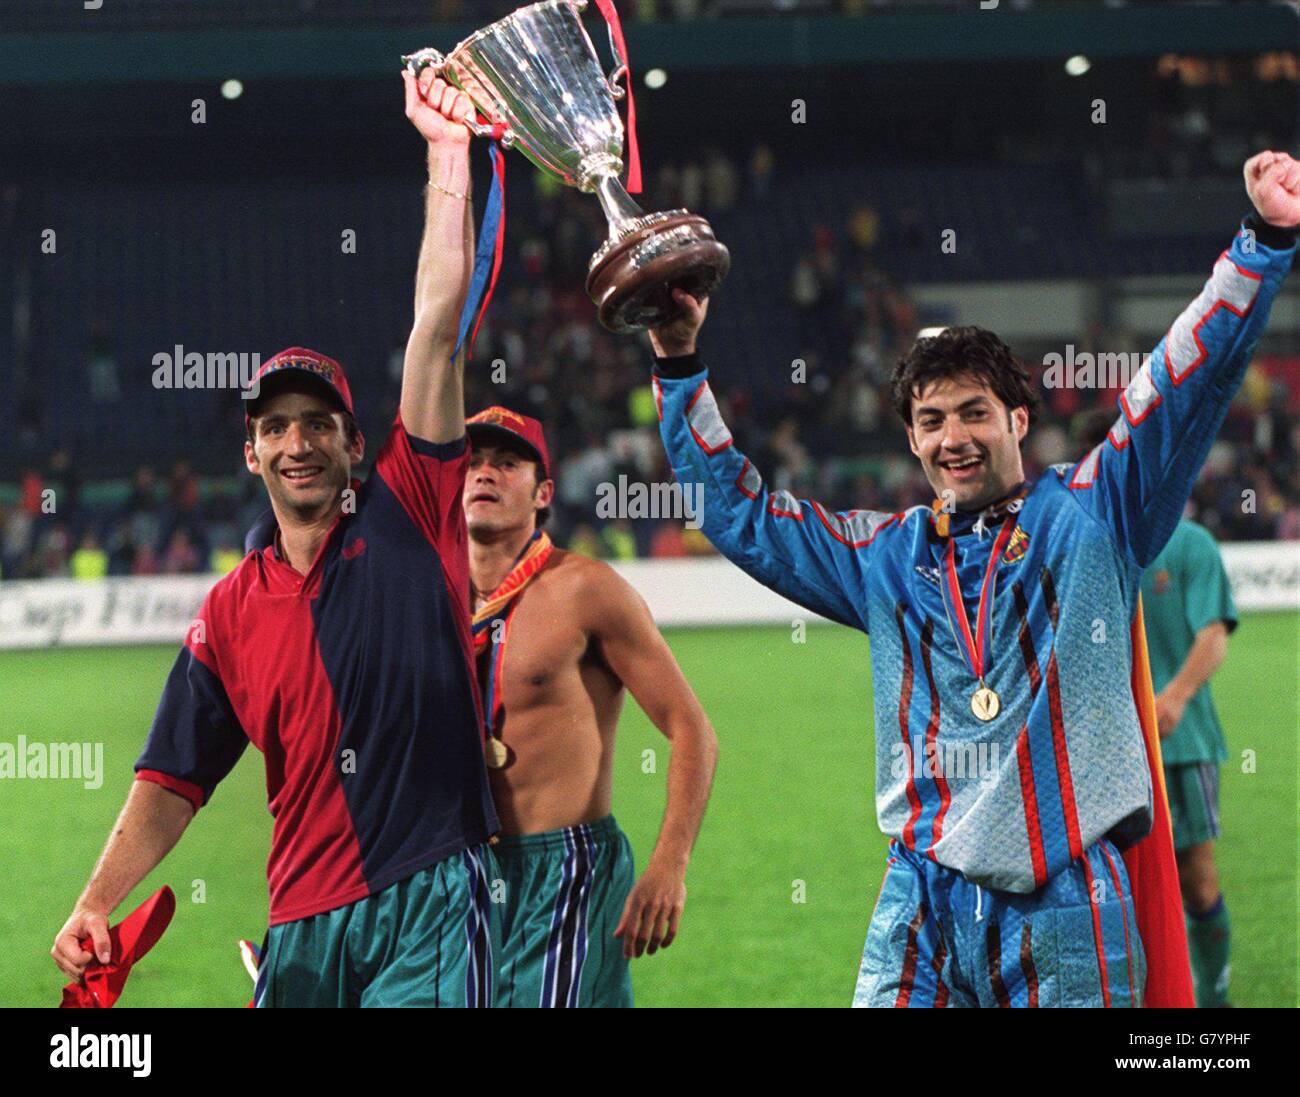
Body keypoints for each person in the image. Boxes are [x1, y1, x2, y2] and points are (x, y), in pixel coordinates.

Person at [642, 151, 1297, 1007]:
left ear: (1019, 419)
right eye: (932, 419)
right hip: (918, 896)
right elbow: (741, 517)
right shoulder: (884, 554)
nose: (954, 435)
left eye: (975, 412)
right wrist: (678, 359)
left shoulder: (1093, 515)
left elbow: (1181, 385)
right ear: (912, 442)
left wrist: (1261, 240)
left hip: (1064, 898)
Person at [52, 69, 500, 1007]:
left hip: (429, 898)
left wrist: (446, 153)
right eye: (276, 427)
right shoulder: (228, 612)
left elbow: (437, 331)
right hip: (302, 924)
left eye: (316, 422)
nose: (297, 442)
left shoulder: (411, 512)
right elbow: (173, 776)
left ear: (354, 443)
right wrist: (97, 899)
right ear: (250, 451)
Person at [463, 405, 718, 1007]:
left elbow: (692, 729)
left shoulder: (587, 590)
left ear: (543, 491)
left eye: (507, 463)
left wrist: (669, 865)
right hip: (459, 868)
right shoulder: (424, 596)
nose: (485, 474)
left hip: (564, 868)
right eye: (472, 462)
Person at [1078, 409, 1239, 1007]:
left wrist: (1172, 696)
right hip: (1097, 750)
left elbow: (1214, 633)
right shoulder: (1082, 547)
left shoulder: (1190, 542)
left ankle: (1214, 1003)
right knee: (1106, 892)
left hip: (1183, 741)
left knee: (1196, 883)